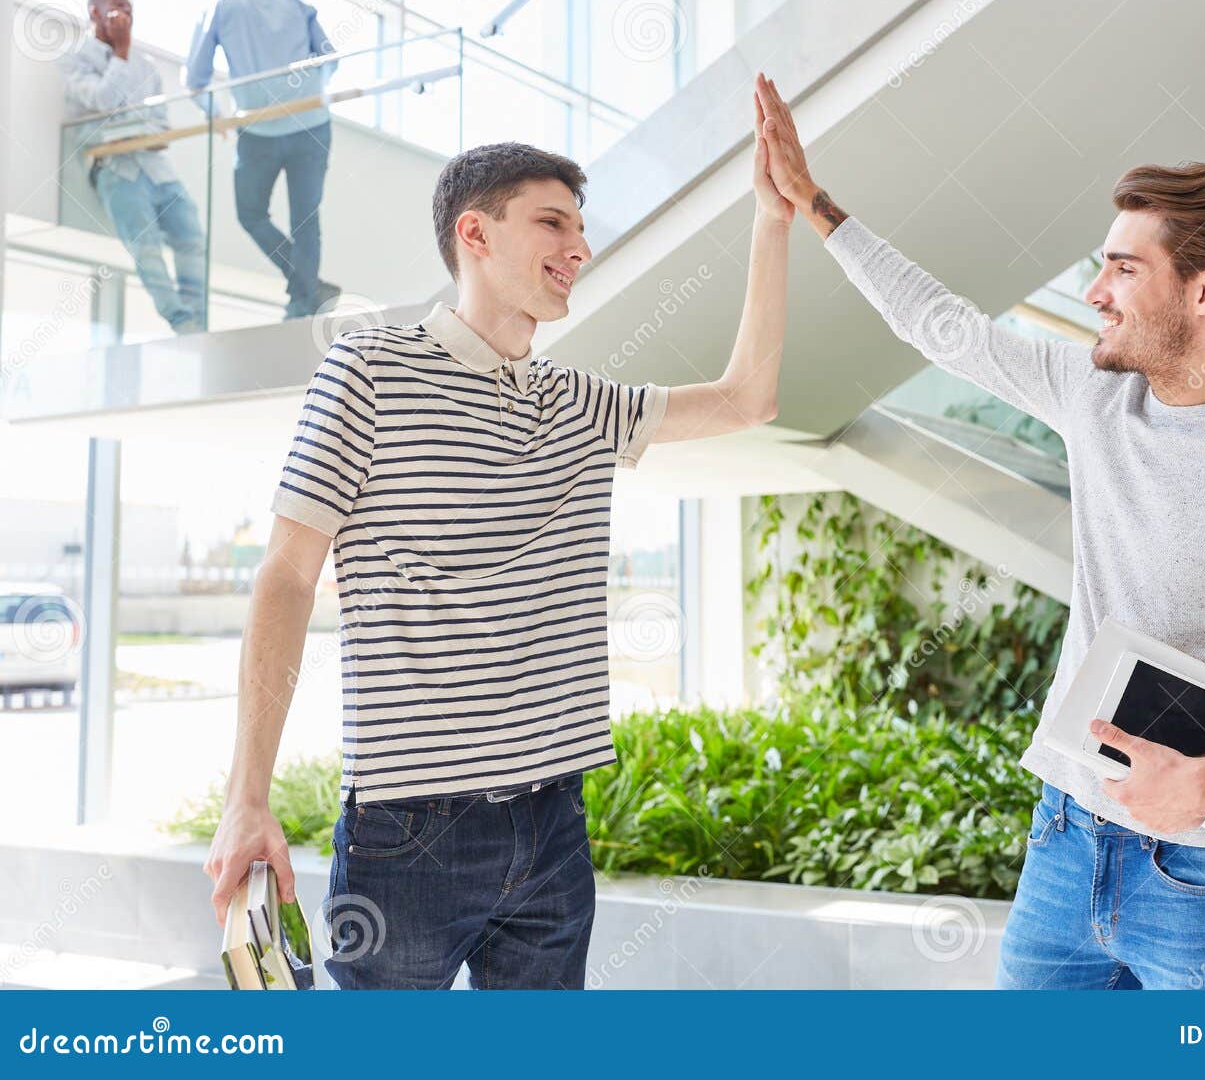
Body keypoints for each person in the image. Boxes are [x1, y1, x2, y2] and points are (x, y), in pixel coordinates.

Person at [753, 80, 1205, 990]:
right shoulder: (1096, 395)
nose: (1094, 291)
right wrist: (814, 204)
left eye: (1123, 268)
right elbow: (945, 328)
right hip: (1065, 841)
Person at [202, 78, 795, 989]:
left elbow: (747, 397)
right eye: (552, 223)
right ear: (474, 234)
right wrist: (248, 795)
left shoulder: (582, 402)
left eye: (580, 229)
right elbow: (285, 575)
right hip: (409, 832)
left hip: (555, 821)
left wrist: (772, 219)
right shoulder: (369, 369)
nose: (579, 247)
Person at [185, 0, 339, 320]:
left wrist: (214, 113)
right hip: (311, 121)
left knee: (251, 214)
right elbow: (330, 59)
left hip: (258, 129)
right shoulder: (293, 0)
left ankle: (305, 292)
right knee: (306, 219)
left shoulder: (220, 7)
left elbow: (194, 80)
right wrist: (305, 90)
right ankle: (306, 293)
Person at [63, 0, 207, 335]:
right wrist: (122, 50)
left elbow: (159, 122)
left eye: (128, 8)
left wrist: (131, 129)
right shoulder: (76, 58)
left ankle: (197, 320)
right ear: (94, 13)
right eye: (115, 7)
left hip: (157, 168)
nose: (125, 13)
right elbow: (103, 99)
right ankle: (181, 321)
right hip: (116, 170)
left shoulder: (148, 67)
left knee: (191, 235)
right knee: (146, 247)